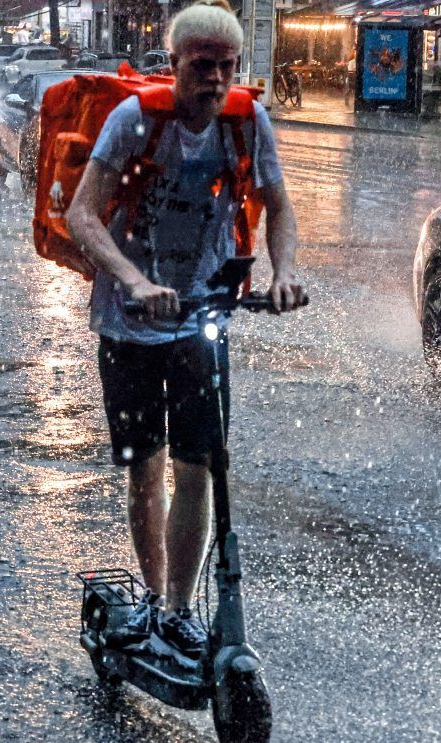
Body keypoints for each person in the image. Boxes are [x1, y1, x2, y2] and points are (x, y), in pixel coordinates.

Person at [66, 0, 303, 659]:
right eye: (203, 66)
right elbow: (84, 216)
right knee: (145, 469)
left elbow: (279, 206)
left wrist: (285, 272)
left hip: (203, 316)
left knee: (197, 465)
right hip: (129, 322)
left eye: (228, 67)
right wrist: (133, 282)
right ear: (174, 65)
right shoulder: (134, 120)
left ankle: (177, 611)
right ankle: (148, 596)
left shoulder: (247, 122)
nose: (217, 80)